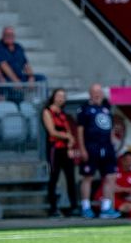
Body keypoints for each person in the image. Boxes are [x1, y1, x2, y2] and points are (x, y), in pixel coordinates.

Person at [75, 84, 121, 219]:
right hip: (91, 147)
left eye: (99, 92)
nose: (97, 94)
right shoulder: (84, 109)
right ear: (90, 94)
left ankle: (106, 208)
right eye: (95, 92)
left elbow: (110, 127)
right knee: (88, 176)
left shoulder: (106, 108)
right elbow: (80, 130)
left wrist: (112, 141)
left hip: (107, 147)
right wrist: (82, 148)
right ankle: (85, 207)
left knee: (110, 176)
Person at [42, 88, 79, 218]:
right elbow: (52, 132)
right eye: (59, 96)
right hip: (54, 149)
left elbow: (69, 133)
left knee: (70, 177)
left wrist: (70, 145)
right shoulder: (47, 112)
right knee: (54, 177)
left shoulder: (63, 114)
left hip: (65, 150)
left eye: (63, 96)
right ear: (53, 97)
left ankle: (74, 206)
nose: (61, 98)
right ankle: (53, 208)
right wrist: (67, 136)